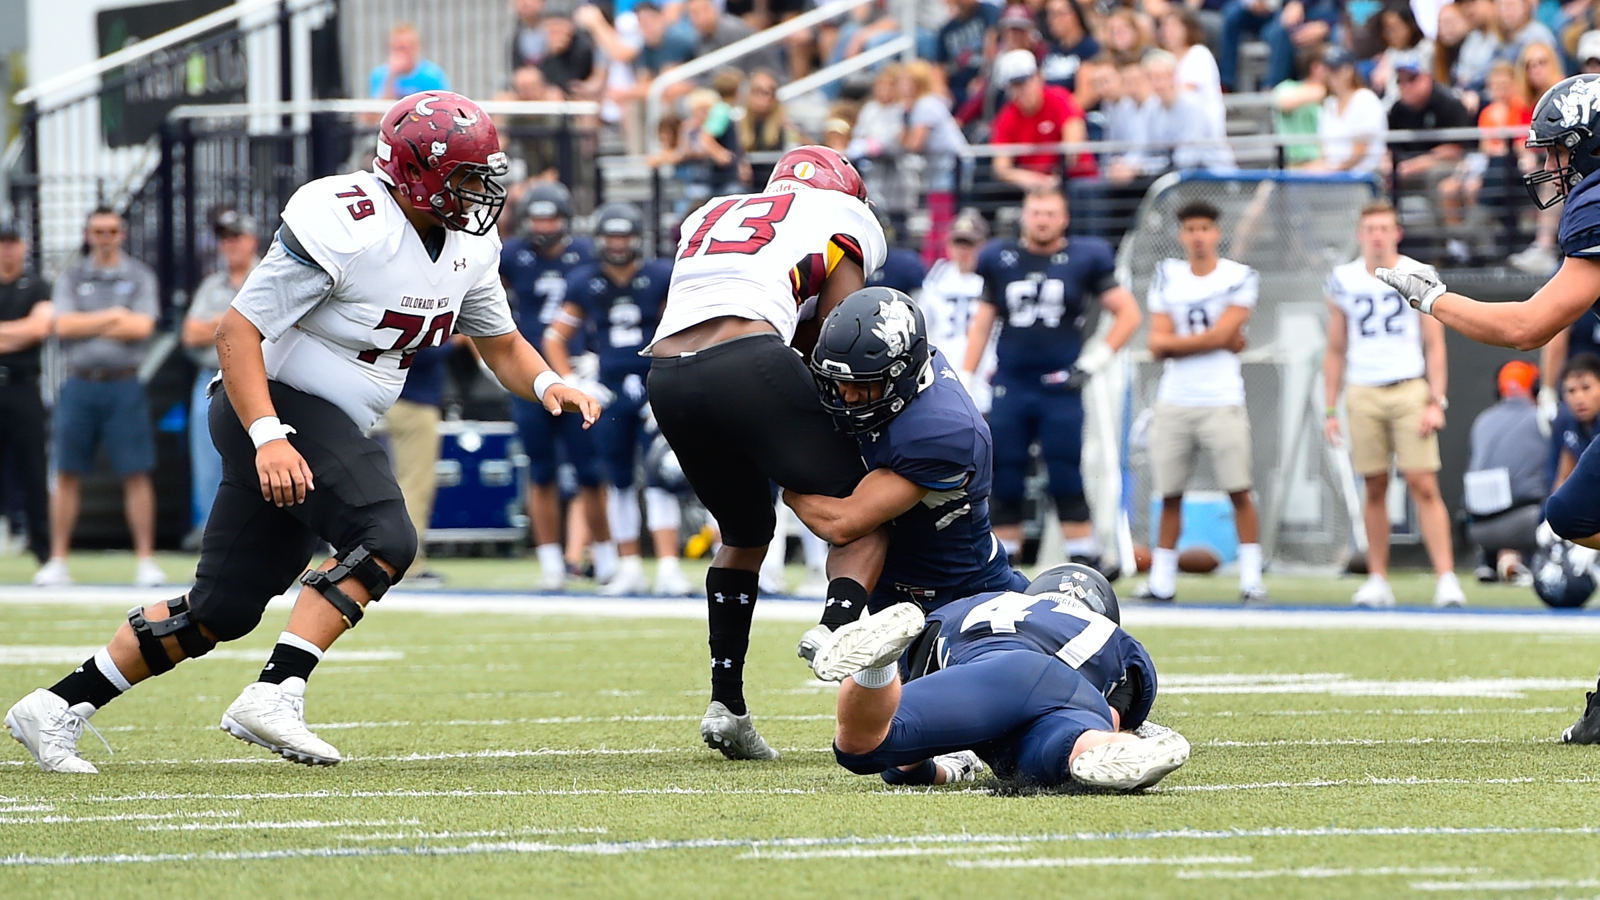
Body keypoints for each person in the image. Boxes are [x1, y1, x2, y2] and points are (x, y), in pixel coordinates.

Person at [2, 91, 599, 773]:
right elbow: (237, 330)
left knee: (221, 608)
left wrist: (551, 383)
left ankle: (53, 706)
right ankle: (277, 690)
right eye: (465, 176)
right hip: (272, 404)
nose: (479, 192)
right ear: (414, 171)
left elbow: (500, 343)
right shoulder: (353, 222)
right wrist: (269, 435)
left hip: (321, 423)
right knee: (385, 533)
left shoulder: (469, 242)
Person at [645, 145, 889, 761]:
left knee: (746, 531)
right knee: (866, 514)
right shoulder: (844, 219)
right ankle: (835, 631)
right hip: (750, 359)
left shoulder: (712, 211)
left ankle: (726, 704)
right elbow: (841, 332)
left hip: (669, 375)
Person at [784, 287, 1031, 677]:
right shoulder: (898, 374)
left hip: (964, 592)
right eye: (839, 381)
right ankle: (836, 626)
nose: (846, 396)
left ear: (902, 373)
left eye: (863, 385)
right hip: (893, 586)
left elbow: (843, 522)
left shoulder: (941, 431)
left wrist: (786, 481)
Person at [828, 564, 1191, 791]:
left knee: (863, 748)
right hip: (1070, 692)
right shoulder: (1117, 639)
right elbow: (1110, 715)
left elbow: (906, 753)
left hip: (995, 671)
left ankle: (877, 668)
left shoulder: (972, 605)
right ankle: (1128, 749)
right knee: (1065, 754)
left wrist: (934, 767)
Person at [959, 187, 1143, 571]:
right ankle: (1003, 562)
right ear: (1025, 216)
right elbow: (982, 324)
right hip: (1011, 381)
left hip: (1060, 384)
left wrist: (1096, 359)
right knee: (1005, 471)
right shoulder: (1000, 258)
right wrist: (964, 377)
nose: (1042, 220)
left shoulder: (1085, 256)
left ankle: (1084, 558)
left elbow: (1128, 313)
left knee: (1064, 469)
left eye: (1050, 213)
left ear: (1064, 218)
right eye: (1036, 212)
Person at [543, 202, 691, 597]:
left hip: (652, 387)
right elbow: (554, 337)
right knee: (619, 480)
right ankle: (628, 566)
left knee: (662, 477)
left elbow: (682, 330)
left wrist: (671, 382)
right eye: (612, 237)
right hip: (607, 390)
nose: (619, 244)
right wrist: (574, 381)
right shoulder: (584, 280)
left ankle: (668, 567)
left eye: (625, 236)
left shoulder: (659, 277)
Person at [1323, 200, 1464, 609]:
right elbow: (1335, 348)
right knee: (1374, 486)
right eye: (1371, 229)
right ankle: (1378, 578)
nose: (1378, 236)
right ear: (1360, 234)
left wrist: (1436, 398)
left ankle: (1447, 577)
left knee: (1423, 483)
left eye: (1385, 228)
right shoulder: (1343, 278)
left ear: (1397, 232)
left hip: (1407, 387)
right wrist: (1330, 408)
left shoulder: (1417, 272)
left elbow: (1434, 343)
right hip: (1362, 388)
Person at [1134, 201, 1266, 605]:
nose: (1197, 236)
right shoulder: (1167, 275)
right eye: (1190, 228)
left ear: (1216, 232)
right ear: (1181, 235)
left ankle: (1251, 578)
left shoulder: (1238, 276)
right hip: (1175, 399)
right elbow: (1158, 343)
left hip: (1222, 397)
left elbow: (1224, 333)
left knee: (1238, 488)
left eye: (1204, 228)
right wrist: (1215, 340)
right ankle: (1162, 581)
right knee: (1170, 491)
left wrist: (1182, 344)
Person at [34, 208, 165, 590]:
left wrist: (90, 322)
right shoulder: (73, 276)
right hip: (79, 383)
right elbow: (63, 324)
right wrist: (113, 316)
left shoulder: (139, 274)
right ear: (88, 234)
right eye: (98, 231)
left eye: (111, 230)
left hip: (124, 383)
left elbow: (141, 326)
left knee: (137, 471)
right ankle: (58, 559)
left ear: (121, 234)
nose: (105, 237)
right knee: (65, 470)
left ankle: (146, 560)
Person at [499, 182, 612, 590]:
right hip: (530, 378)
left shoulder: (585, 253)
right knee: (541, 469)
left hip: (577, 376)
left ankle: (600, 555)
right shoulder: (511, 255)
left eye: (551, 218)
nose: (544, 226)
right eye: (537, 218)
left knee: (590, 470)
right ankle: (550, 562)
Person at [182, 211, 260, 552]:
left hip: (258, 378)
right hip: (212, 379)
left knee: (260, 457)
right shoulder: (212, 284)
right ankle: (211, 538)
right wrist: (230, 325)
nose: (230, 245)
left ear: (252, 240)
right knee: (207, 462)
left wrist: (217, 326)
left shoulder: (265, 277)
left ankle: (260, 541)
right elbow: (190, 333)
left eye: (236, 237)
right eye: (225, 238)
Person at [380, 340, 458, 588]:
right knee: (415, 485)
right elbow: (418, 350)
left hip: (379, 394)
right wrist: (456, 342)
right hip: (412, 399)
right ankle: (406, 563)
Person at [1463, 359, 1548, 584]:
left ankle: (1491, 559)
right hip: (1525, 524)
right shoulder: (1541, 419)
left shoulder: (1483, 421)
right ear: (1535, 387)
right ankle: (1531, 561)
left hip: (1475, 528)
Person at [0, 219, 52, 569]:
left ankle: (44, 551)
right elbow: (25, 330)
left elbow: (38, 328)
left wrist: (19, 334)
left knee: (34, 468)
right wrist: (15, 334)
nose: (8, 249)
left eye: (12, 242)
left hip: (22, 385)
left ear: (23, 245)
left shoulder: (37, 285)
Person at [918, 211, 994, 412]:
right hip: (946, 366)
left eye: (970, 244)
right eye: (959, 243)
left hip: (986, 370)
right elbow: (922, 326)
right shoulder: (938, 276)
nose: (963, 250)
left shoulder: (992, 276)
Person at [989, 49, 1094, 193]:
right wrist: (1029, 179)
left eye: (1024, 82)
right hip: (1034, 186)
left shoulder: (1059, 99)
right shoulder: (1007, 116)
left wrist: (1056, 178)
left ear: (1038, 77)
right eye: (1015, 85)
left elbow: (1073, 143)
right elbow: (1001, 166)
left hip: (1073, 179)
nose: (1021, 90)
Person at [1551, 353, 1600, 492]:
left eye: (1586, 388)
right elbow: (1558, 483)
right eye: (1571, 391)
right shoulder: (1563, 425)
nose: (1579, 398)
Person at [369, 23, 450, 100]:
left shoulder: (432, 76)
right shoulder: (379, 75)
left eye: (405, 48)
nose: (401, 53)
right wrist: (391, 77)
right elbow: (376, 111)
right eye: (396, 48)